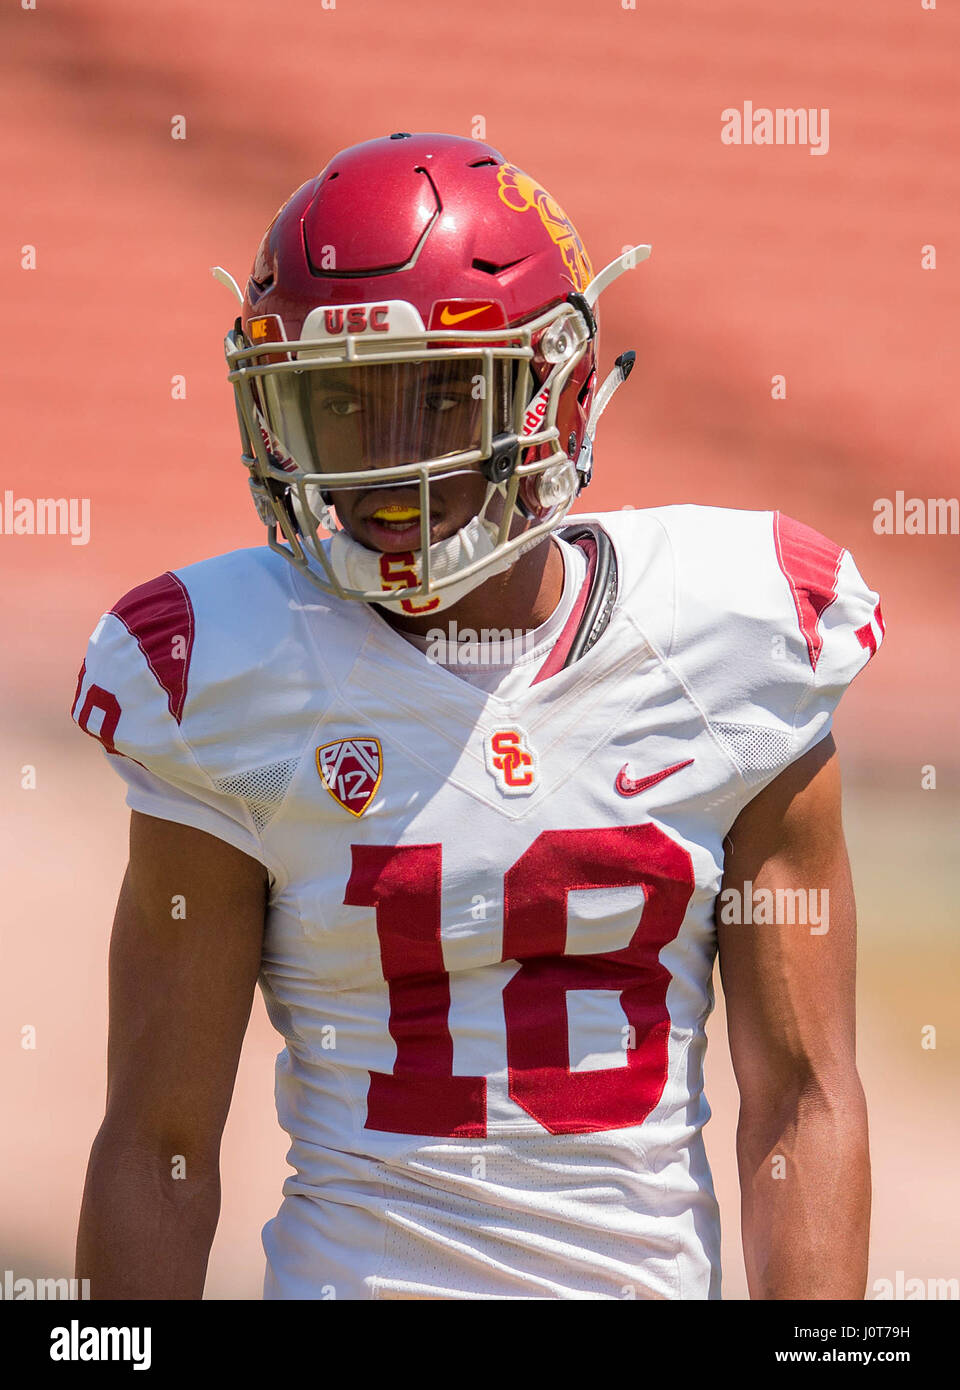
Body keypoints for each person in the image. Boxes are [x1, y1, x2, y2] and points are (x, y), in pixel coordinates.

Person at [72, 132, 882, 1300]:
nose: (381, 470)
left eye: (433, 400)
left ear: (554, 390)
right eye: (339, 407)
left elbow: (802, 1100)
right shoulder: (233, 678)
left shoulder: (734, 639)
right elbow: (157, 1142)